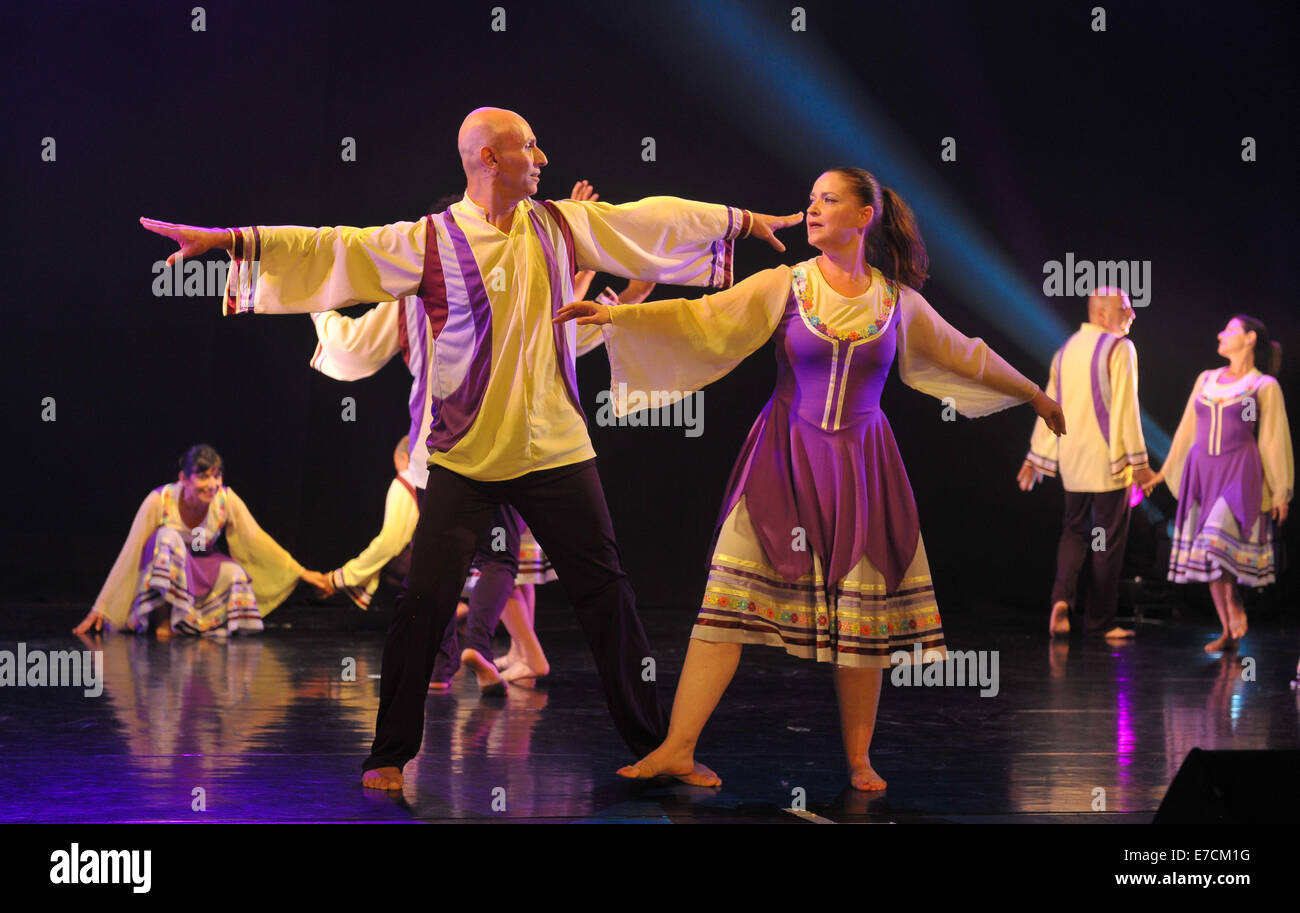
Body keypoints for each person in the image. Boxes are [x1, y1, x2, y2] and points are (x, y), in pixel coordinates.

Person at [140, 106, 802, 791]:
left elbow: (646, 219)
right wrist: (229, 241)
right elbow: (332, 246)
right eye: (529, 146)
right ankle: (390, 752)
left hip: (554, 449)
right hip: (463, 457)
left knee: (607, 593)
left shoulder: (561, 225)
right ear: (489, 158)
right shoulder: (428, 241)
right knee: (423, 603)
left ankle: (657, 744)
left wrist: (740, 219)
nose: (542, 157)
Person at [556, 167, 1065, 790]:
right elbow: (703, 317)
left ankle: (858, 760)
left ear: (863, 216)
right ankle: (678, 747)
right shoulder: (786, 285)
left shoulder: (896, 301)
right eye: (812, 199)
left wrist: (1035, 394)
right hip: (782, 457)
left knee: (861, 624)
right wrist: (616, 320)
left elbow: (966, 352)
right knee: (724, 608)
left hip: (863, 468)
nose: (813, 209)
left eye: (829, 200)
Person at [1143, 316, 1292, 652]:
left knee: (1214, 540)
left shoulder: (1262, 385)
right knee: (1208, 553)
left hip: (1239, 471)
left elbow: (1272, 440)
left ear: (1250, 338)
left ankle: (1236, 600)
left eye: (1229, 330)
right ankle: (1227, 632)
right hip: (1202, 471)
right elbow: (1185, 430)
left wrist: (1281, 490)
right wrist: (1163, 473)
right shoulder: (1206, 379)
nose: (1220, 334)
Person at [73, 444, 331, 636]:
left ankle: (195, 625)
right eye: (203, 476)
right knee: (167, 537)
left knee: (235, 573)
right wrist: (103, 606)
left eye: (216, 476)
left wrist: (302, 573)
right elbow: (130, 551)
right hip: (165, 568)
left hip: (202, 567)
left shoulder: (225, 500)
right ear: (184, 478)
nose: (212, 484)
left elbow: (257, 540)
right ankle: (163, 620)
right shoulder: (160, 501)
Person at [1017, 289, 1153, 640]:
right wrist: (1139, 463)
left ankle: (1061, 601)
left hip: (1073, 461)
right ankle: (1101, 621)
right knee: (1106, 540)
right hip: (1109, 461)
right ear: (1104, 315)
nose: (1133, 315)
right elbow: (1126, 408)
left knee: (1074, 532)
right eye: (1126, 308)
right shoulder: (1120, 348)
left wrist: (1035, 458)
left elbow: (1049, 406)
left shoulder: (1065, 351)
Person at [323, 436, 421, 611]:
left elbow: (390, 543)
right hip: (456, 563)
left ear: (405, 457)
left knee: (388, 562)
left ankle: (449, 611)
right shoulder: (431, 481)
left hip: (427, 567)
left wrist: (340, 578)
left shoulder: (405, 480)